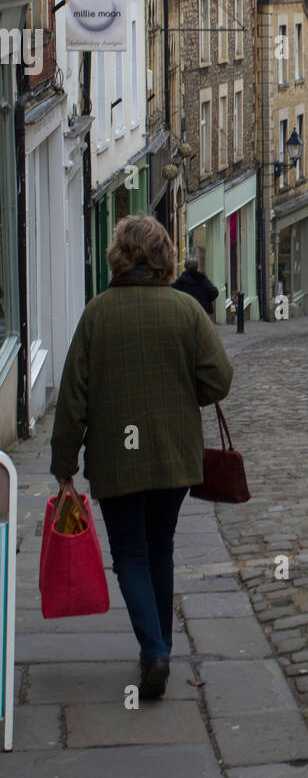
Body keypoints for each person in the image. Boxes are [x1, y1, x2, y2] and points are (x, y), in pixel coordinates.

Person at [50, 216, 233, 702]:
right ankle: (161, 648)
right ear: (164, 256)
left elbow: (73, 398)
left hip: (116, 459)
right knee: (161, 548)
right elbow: (219, 380)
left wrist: (63, 464)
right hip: (173, 456)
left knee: (130, 553)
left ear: (120, 256)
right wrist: (179, 390)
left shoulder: (97, 314)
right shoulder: (186, 311)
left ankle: (153, 650)